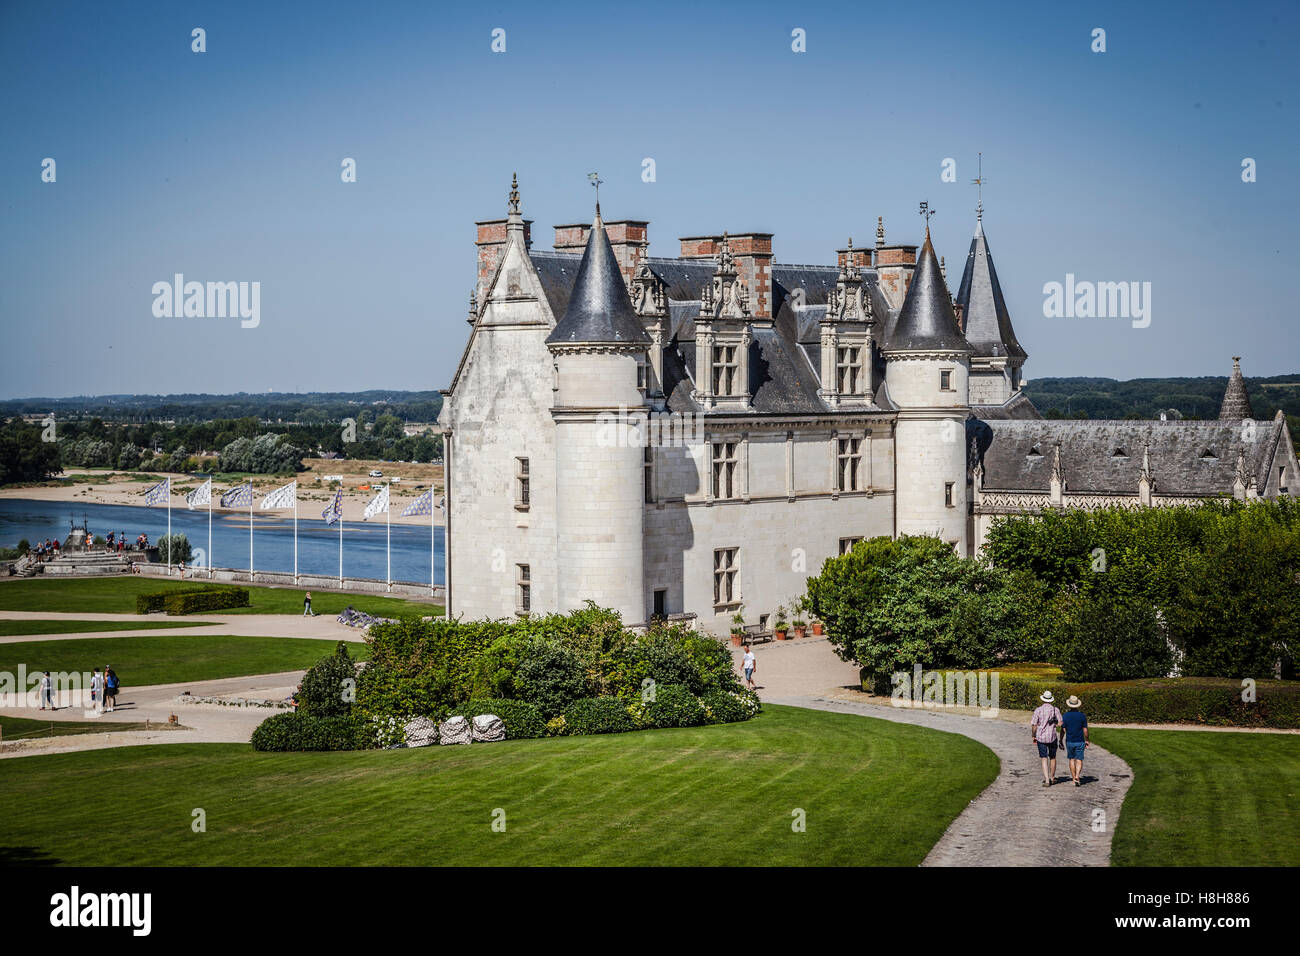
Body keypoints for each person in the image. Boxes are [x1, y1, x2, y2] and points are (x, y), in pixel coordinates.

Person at [1030, 690, 1064, 787]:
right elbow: (1061, 723)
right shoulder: (1055, 709)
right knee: (1053, 757)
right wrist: (1055, 724)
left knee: (1044, 758)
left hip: (1041, 737)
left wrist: (1033, 735)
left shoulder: (1038, 710)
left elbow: (1034, 724)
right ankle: (1052, 777)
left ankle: (1046, 779)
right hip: (1052, 736)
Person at [1062, 695, 1089, 786]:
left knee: (1071, 759)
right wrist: (1087, 740)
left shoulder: (1065, 716)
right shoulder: (1082, 716)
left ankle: (1074, 778)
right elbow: (1085, 730)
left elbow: (1063, 729)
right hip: (1080, 740)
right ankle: (1077, 775)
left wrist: (1061, 740)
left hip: (1070, 740)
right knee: (1079, 759)